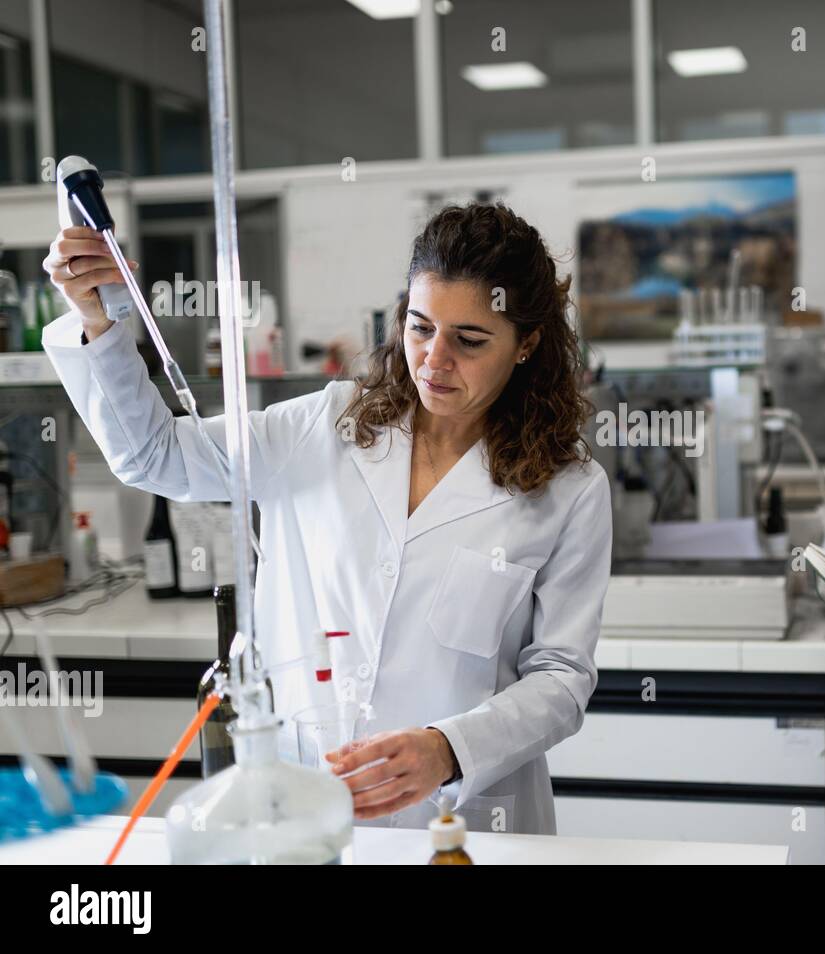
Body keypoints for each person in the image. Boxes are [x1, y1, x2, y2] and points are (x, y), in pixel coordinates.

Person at [42, 202, 611, 834]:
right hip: (306, 808)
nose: (433, 359)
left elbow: (561, 679)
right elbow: (154, 455)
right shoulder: (325, 427)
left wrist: (449, 749)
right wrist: (96, 320)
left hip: (467, 819)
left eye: (470, 340)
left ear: (527, 342)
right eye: (420, 327)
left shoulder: (570, 490)